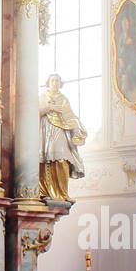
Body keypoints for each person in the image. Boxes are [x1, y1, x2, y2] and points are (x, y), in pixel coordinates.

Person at [39, 73, 86, 201]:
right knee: (44, 160)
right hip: (45, 129)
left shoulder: (64, 99)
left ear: (60, 84)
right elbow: (35, 112)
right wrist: (49, 107)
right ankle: (44, 192)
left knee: (62, 160)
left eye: (58, 81)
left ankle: (63, 194)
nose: (55, 83)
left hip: (60, 129)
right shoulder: (43, 96)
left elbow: (70, 116)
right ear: (48, 82)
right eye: (53, 80)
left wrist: (77, 131)